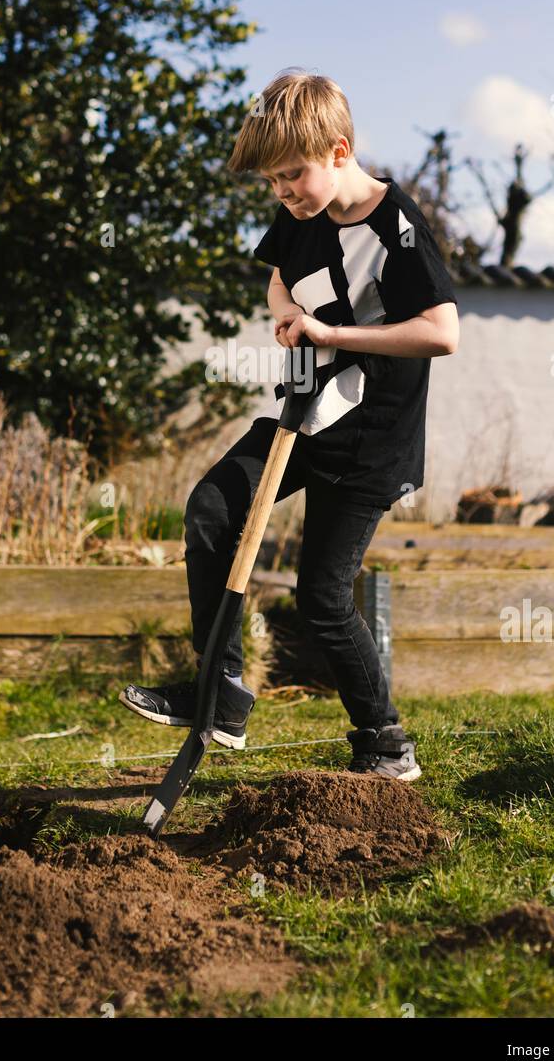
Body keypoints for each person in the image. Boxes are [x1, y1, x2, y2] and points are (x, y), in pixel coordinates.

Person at [119, 70, 459, 779]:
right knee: (211, 511)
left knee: (322, 599)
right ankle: (225, 695)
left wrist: (330, 332)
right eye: (272, 182)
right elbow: (277, 274)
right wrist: (284, 310)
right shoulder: (298, 216)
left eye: (292, 175)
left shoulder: (395, 226)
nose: (283, 194)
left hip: (370, 433)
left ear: (339, 150)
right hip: (300, 411)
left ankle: (385, 744)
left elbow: (440, 332)